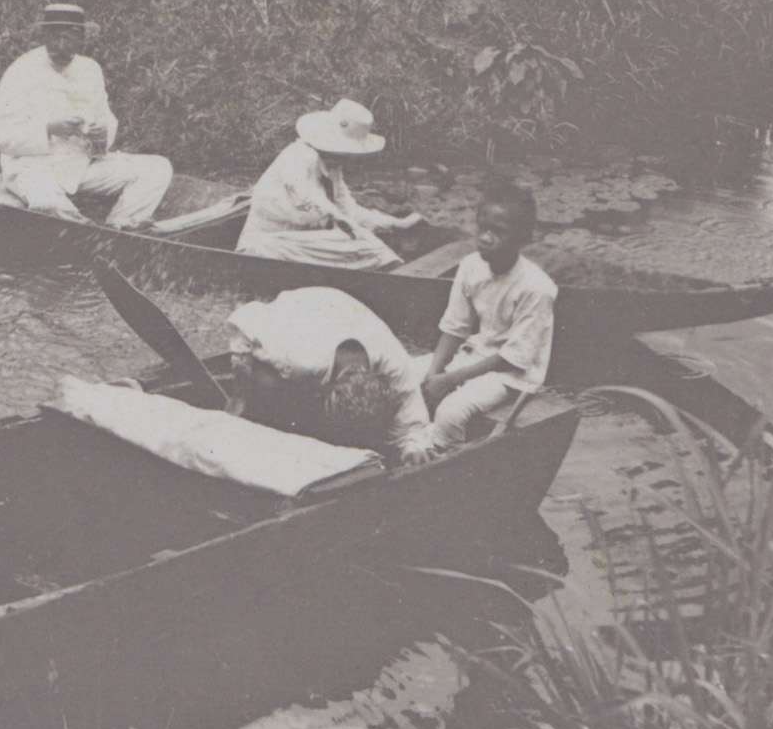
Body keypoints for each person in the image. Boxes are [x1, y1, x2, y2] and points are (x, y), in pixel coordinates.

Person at [0, 2, 175, 229]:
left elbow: (105, 122)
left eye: (69, 38)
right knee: (48, 203)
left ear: (81, 39)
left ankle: (121, 225)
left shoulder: (90, 70)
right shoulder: (22, 71)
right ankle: (84, 230)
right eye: (55, 37)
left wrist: (100, 134)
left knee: (157, 168)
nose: (61, 46)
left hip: (81, 165)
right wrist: (50, 130)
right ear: (44, 36)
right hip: (33, 167)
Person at [406, 178, 558, 459]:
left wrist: (450, 379)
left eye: (498, 231)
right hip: (477, 354)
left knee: (451, 412)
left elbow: (513, 357)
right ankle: (410, 443)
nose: (486, 238)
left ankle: (442, 457)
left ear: (522, 237)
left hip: (513, 373)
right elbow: (455, 327)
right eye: (483, 228)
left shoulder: (537, 288)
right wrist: (433, 374)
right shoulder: (470, 267)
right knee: (406, 377)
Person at [222, 286, 431, 461]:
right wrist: (241, 389)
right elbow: (244, 318)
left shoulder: (395, 364)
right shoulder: (298, 360)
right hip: (303, 307)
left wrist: (414, 447)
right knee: (267, 384)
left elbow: (411, 411)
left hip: (343, 314)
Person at [236, 98, 425, 269]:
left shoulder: (332, 167)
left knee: (366, 242)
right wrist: (350, 226)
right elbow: (309, 198)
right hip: (267, 244)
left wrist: (395, 223)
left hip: (300, 240)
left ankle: (389, 266)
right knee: (363, 243)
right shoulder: (299, 157)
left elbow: (348, 208)